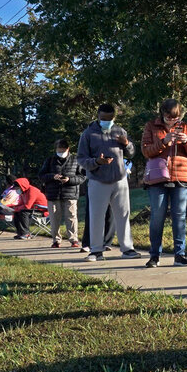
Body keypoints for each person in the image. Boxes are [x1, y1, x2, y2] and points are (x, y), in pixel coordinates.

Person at [77, 103, 141, 261]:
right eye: (104, 118)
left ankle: (127, 249)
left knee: (124, 215)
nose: (107, 121)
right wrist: (97, 162)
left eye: (110, 118)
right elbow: (81, 159)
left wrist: (127, 144)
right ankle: (96, 251)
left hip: (120, 179)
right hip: (97, 180)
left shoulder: (120, 131)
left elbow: (132, 153)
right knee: (96, 216)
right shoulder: (88, 134)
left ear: (114, 117)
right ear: (98, 116)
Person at [141, 99, 187, 268]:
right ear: (162, 114)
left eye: (176, 117)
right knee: (157, 217)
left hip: (181, 176)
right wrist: (164, 142)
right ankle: (154, 255)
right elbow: (146, 151)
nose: (172, 120)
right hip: (158, 178)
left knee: (179, 216)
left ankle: (180, 255)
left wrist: (186, 141)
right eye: (168, 117)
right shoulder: (151, 126)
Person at [39, 139, 85, 248]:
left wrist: (69, 180)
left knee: (71, 217)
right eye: (58, 150)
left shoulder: (76, 160)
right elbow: (41, 176)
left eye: (62, 150)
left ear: (68, 149)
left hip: (70, 194)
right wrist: (52, 177)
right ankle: (56, 240)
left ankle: (74, 240)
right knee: (54, 218)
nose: (60, 152)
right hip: (53, 194)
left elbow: (82, 177)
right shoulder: (50, 160)